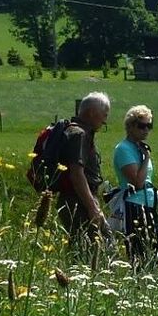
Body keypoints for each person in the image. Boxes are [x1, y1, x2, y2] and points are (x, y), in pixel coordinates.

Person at [52, 91, 111, 248]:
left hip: (79, 199)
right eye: (104, 114)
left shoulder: (77, 132)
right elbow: (77, 174)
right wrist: (92, 207)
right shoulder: (79, 134)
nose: (105, 120)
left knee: (99, 245)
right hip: (77, 201)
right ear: (92, 113)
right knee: (90, 250)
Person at [112, 104, 158, 267]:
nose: (146, 130)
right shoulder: (124, 149)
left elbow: (147, 182)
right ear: (130, 126)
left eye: (149, 126)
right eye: (142, 126)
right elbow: (137, 182)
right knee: (139, 253)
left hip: (150, 204)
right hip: (133, 205)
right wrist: (146, 158)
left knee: (157, 252)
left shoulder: (140, 148)